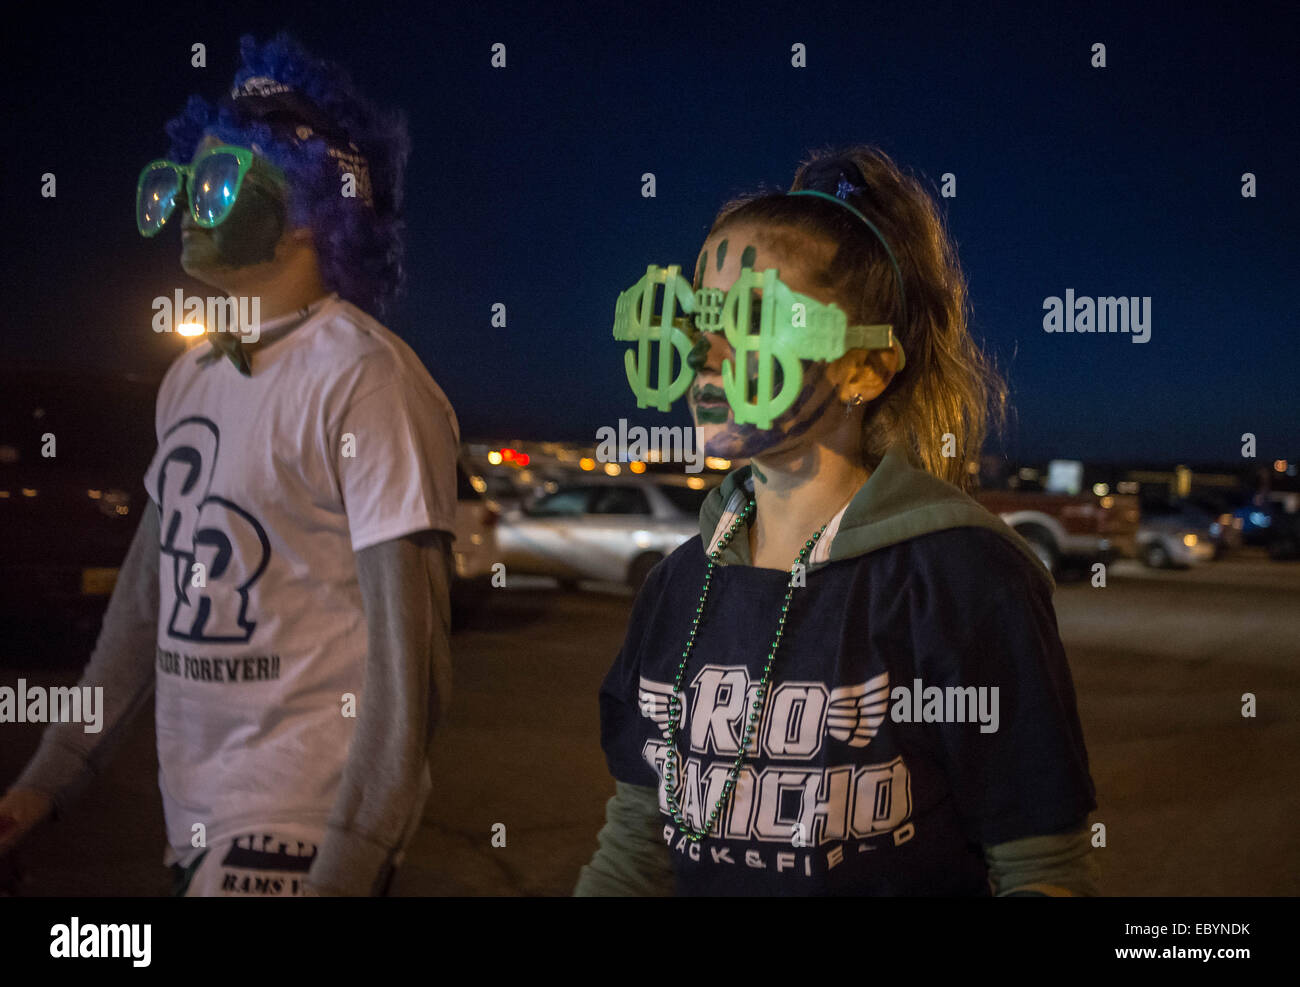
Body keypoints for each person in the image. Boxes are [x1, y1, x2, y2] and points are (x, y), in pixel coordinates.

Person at [0, 33, 459, 896]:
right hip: (192, 821)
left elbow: (414, 666)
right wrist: (43, 782)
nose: (188, 208)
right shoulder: (190, 380)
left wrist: (352, 858)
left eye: (215, 186)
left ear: (312, 208)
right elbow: (141, 614)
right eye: (181, 182)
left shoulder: (367, 380)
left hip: (300, 828)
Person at [576, 146, 1098, 896]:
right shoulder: (676, 584)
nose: (707, 352)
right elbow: (637, 843)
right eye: (700, 315)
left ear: (866, 369)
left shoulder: (965, 579)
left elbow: (1042, 867)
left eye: (757, 318)